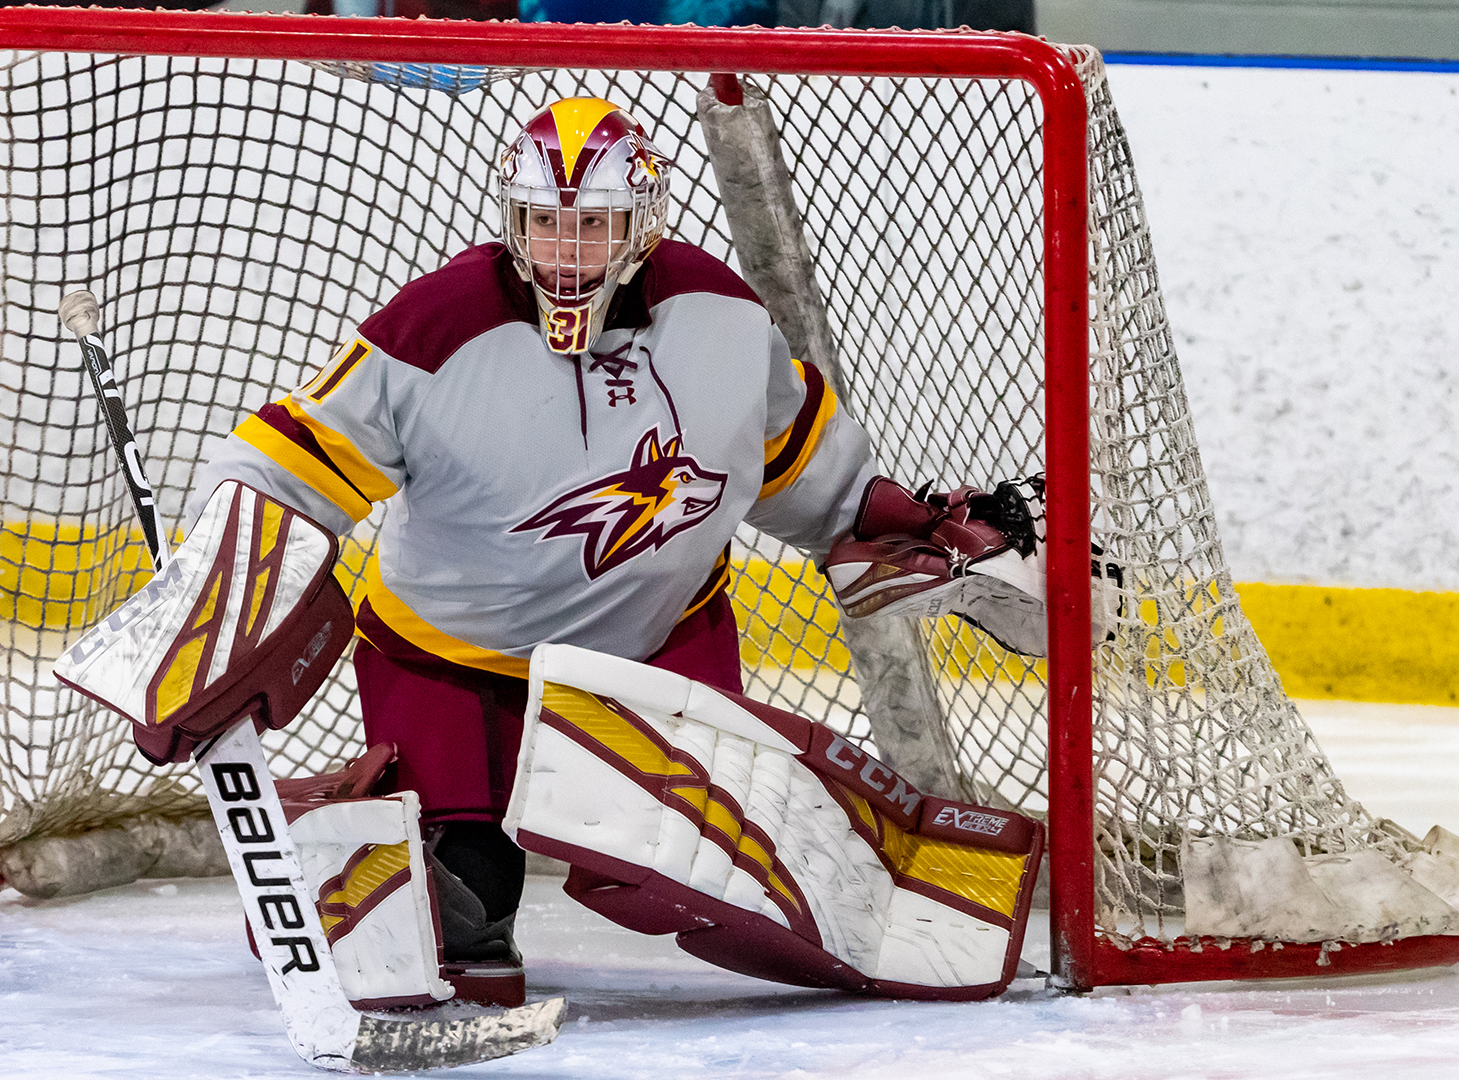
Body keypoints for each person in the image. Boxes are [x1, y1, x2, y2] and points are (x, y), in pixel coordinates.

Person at [177, 96, 1038, 1004]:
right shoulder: (431, 331)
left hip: (651, 654)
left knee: (719, 871)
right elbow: (284, 463)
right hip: (447, 657)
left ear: (643, 224)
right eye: (545, 222)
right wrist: (211, 587)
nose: (567, 249)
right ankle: (339, 864)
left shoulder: (725, 320)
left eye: (595, 224)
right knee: (459, 918)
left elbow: (800, 471)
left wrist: (882, 517)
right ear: (513, 220)